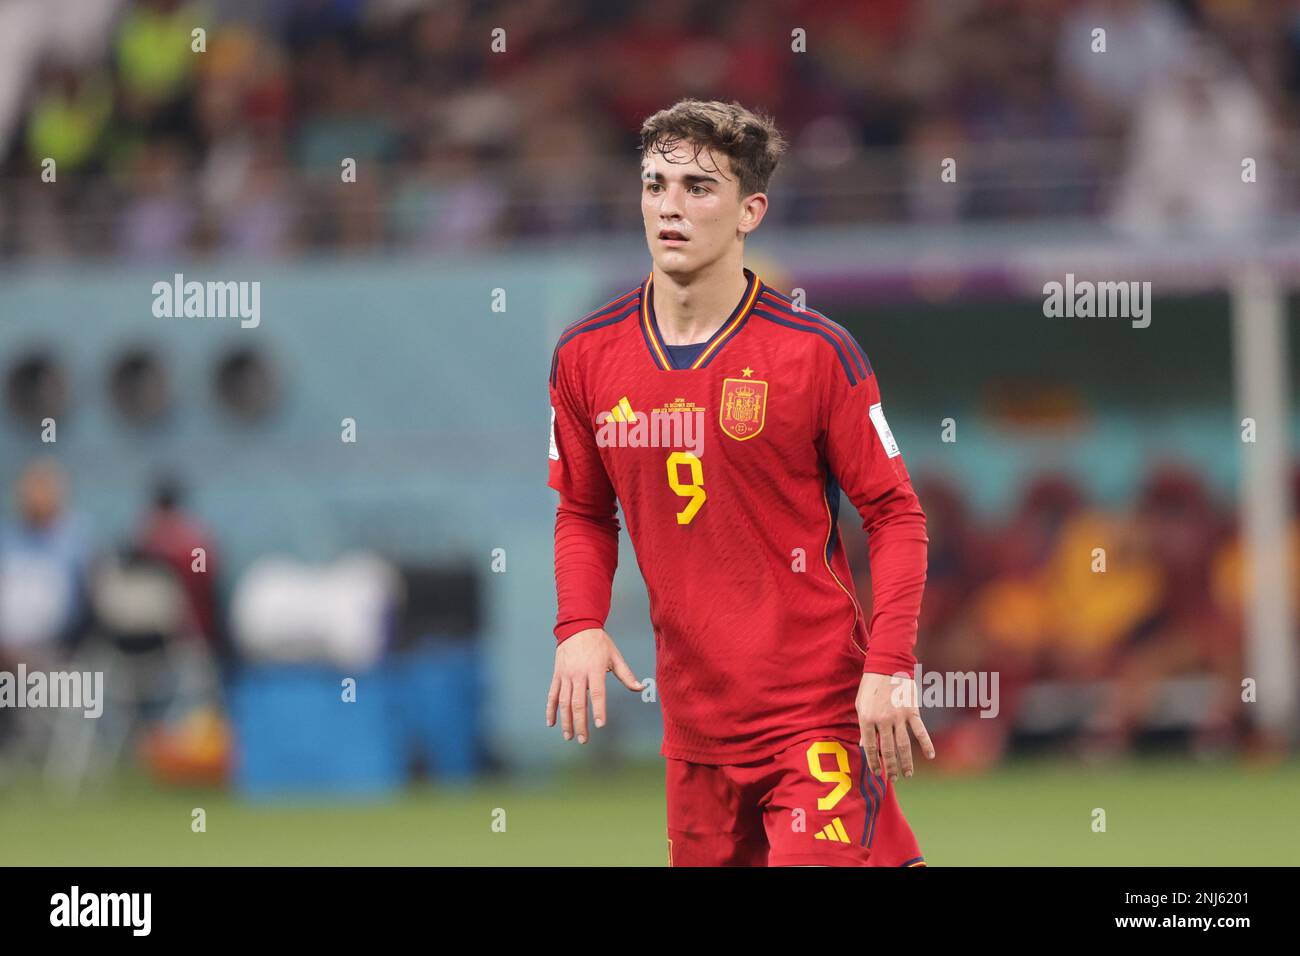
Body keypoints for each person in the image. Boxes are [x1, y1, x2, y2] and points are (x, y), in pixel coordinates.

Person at [545, 99, 931, 866]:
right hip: (694, 732)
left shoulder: (815, 353)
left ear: (751, 209)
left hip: (811, 714)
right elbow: (585, 511)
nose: (670, 207)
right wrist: (579, 624)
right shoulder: (585, 357)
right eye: (655, 184)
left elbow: (895, 515)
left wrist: (889, 666)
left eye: (698, 188)